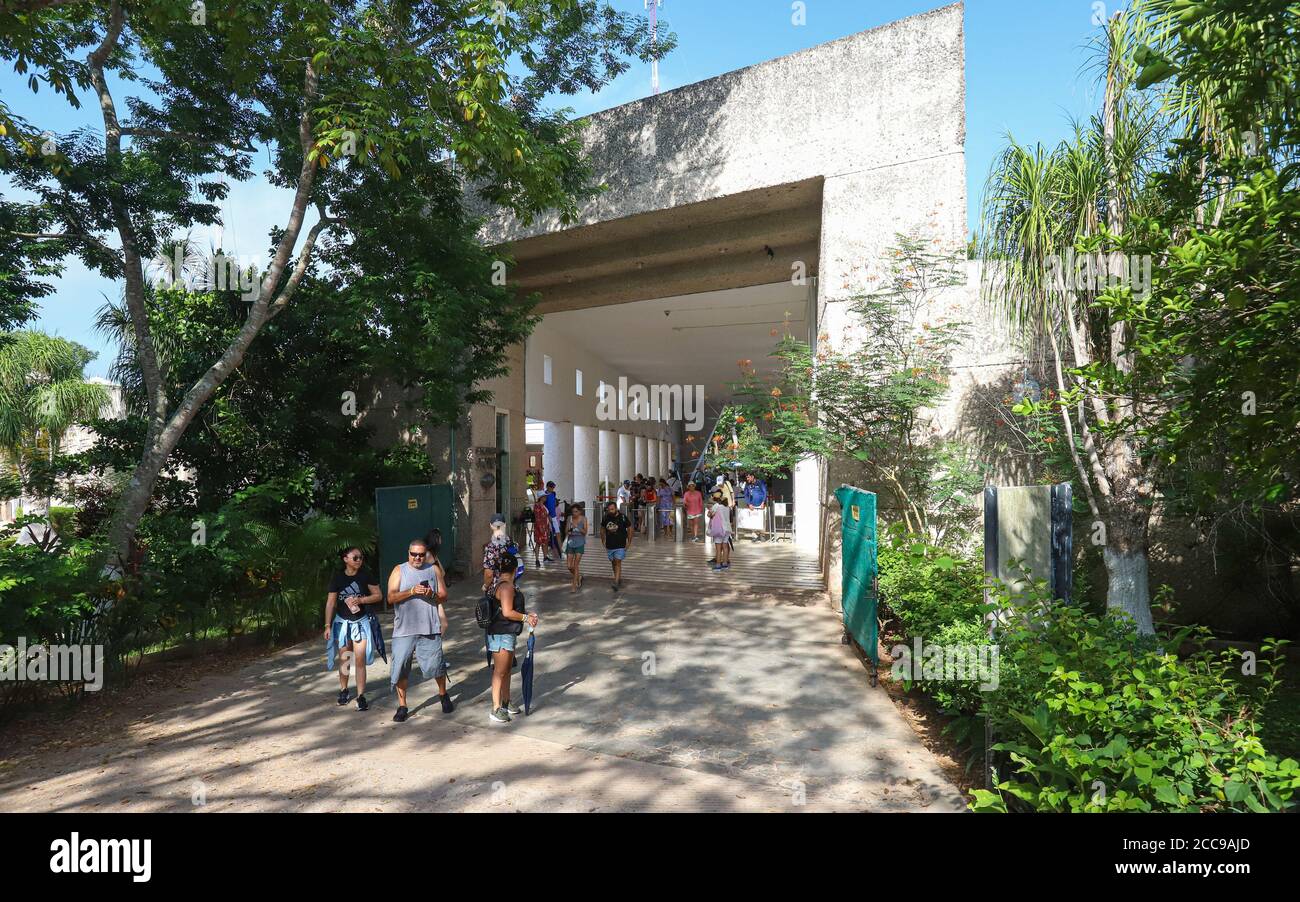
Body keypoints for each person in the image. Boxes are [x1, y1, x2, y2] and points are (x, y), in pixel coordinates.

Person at [388, 537, 453, 722]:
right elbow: (390, 598)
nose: (417, 558)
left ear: (426, 555)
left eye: (421, 555)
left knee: (436, 665)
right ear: (408, 553)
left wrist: (431, 594)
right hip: (404, 630)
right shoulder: (399, 570)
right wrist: (411, 591)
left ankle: (443, 694)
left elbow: (443, 596)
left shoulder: (433, 570)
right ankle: (402, 706)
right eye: (413, 554)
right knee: (400, 667)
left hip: (429, 626)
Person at [324, 547, 382, 710]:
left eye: (361, 557)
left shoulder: (365, 575)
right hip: (342, 623)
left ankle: (361, 695)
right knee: (345, 659)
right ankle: (344, 690)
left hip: (360, 622)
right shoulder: (337, 578)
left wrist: (362, 601)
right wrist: (327, 625)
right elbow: (330, 603)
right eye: (355, 557)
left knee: (359, 659)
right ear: (345, 559)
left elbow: (378, 595)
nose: (359, 560)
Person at [485, 549, 538, 724]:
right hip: (501, 634)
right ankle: (495, 708)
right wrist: (526, 618)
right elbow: (508, 612)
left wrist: (526, 614)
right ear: (515, 570)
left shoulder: (498, 583)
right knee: (500, 671)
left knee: (506, 670)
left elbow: (508, 609)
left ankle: (506, 702)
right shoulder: (506, 587)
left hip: (505, 632)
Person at [600, 500, 632, 591]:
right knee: (613, 562)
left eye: (612, 509)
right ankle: (617, 578)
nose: (611, 511)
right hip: (610, 545)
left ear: (616, 508)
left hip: (620, 545)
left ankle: (616, 582)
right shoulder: (605, 518)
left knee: (617, 561)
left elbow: (630, 528)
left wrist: (629, 541)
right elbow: (602, 529)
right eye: (609, 510)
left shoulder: (623, 517)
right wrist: (603, 540)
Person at [482, 512, 510, 593]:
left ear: (491, 525)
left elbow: (489, 574)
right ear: (504, 525)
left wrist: (485, 586)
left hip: (497, 588)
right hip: (510, 584)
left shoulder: (491, 547)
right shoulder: (510, 542)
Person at [565, 502, 587, 590]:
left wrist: (577, 527)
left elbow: (585, 532)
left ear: (580, 512)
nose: (574, 513)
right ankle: (578, 577)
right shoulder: (569, 518)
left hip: (580, 542)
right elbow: (566, 531)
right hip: (570, 542)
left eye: (576, 512)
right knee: (569, 566)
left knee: (576, 564)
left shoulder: (584, 519)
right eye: (573, 512)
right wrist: (568, 531)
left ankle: (574, 585)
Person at [708, 493, 733, 571]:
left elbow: (710, 514)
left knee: (718, 548)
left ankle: (718, 565)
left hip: (719, 529)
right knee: (725, 547)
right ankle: (725, 564)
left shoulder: (716, 506)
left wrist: (709, 512)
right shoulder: (727, 508)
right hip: (727, 529)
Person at [542, 481, 562, 559]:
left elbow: (554, 503)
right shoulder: (544, 495)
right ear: (547, 487)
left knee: (558, 534)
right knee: (547, 537)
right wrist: (548, 516)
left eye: (553, 487)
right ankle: (546, 555)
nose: (552, 488)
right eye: (551, 487)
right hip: (547, 517)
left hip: (554, 517)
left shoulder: (553, 494)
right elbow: (543, 506)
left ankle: (561, 552)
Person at [531, 495, 552, 565]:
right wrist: (540, 528)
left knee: (545, 542)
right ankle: (537, 559)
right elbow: (537, 517)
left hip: (545, 526)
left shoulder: (544, 505)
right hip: (540, 527)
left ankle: (545, 557)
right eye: (544, 497)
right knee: (538, 543)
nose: (545, 498)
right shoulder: (537, 506)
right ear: (541, 497)